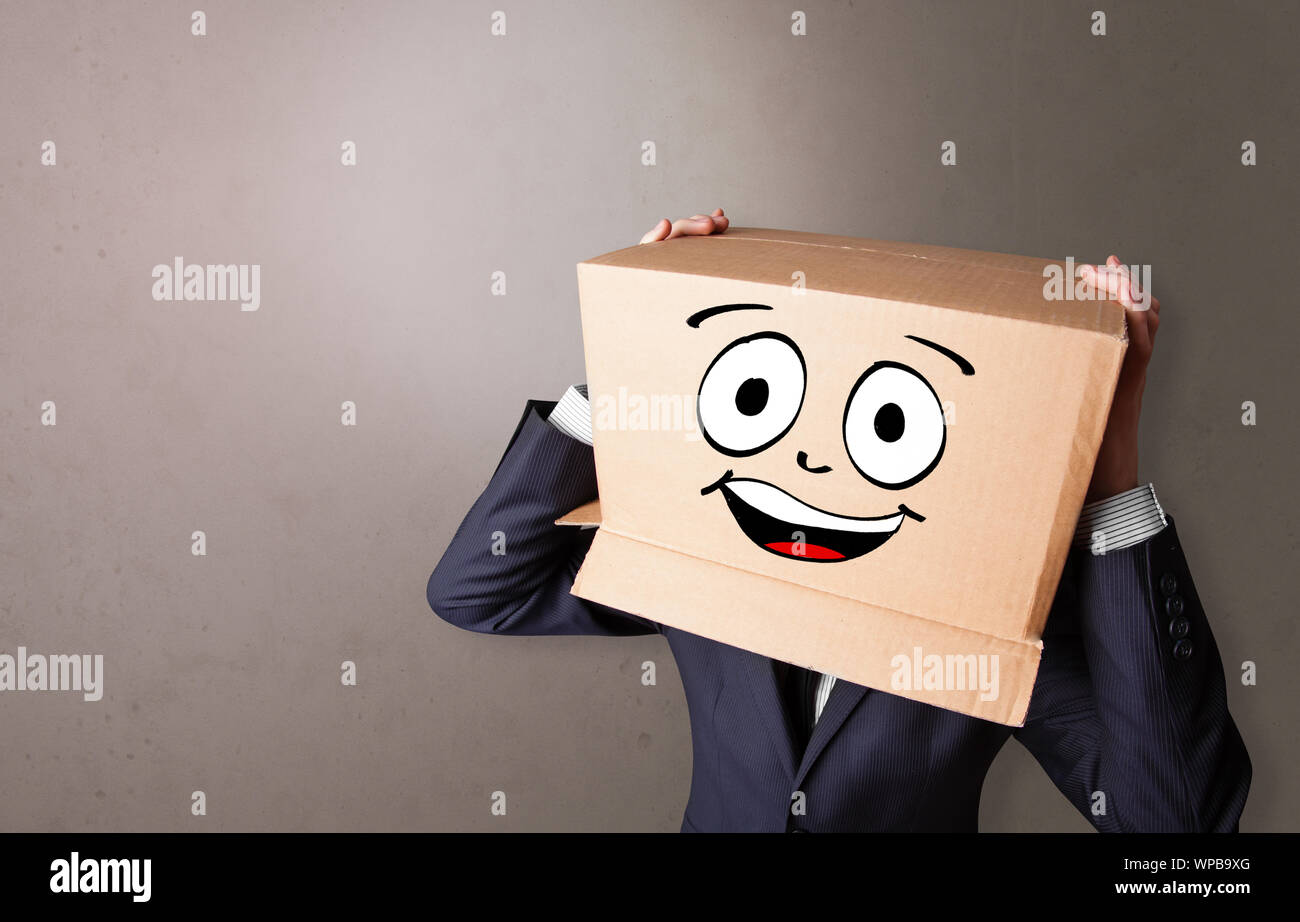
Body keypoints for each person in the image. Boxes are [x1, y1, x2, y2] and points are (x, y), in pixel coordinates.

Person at [427, 208, 1251, 832]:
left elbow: (1174, 831)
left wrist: (1110, 475)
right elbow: (479, 591)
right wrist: (636, 351)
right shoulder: (700, 552)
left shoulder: (998, 610)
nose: (818, 463)